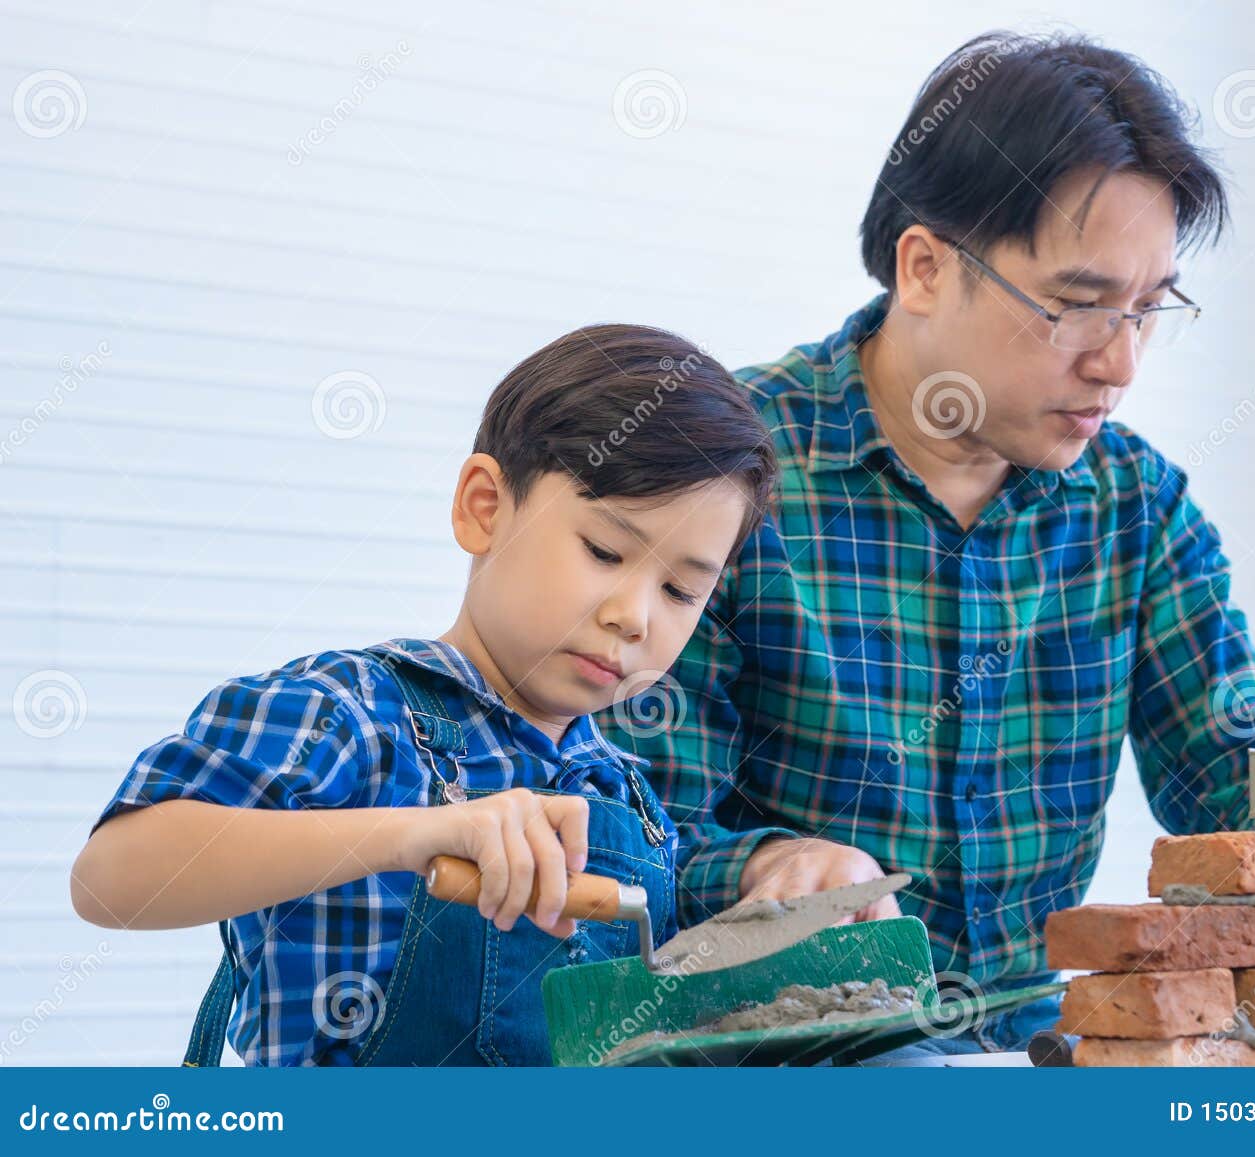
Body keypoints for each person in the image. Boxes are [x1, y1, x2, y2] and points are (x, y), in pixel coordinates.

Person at [604, 32, 1255, 1055]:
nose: (1117, 361)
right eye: (1076, 305)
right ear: (926, 266)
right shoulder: (729, 478)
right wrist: (767, 867)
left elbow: (1240, 774)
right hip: (778, 1054)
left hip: (1036, 1053)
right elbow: (625, 828)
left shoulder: (1135, 506)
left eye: (1149, 308)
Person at [71, 325, 776, 1066]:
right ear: (483, 508)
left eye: (680, 589)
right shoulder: (350, 711)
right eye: (604, 551)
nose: (633, 616)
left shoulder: (626, 798)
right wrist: (409, 835)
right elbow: (111, 879)